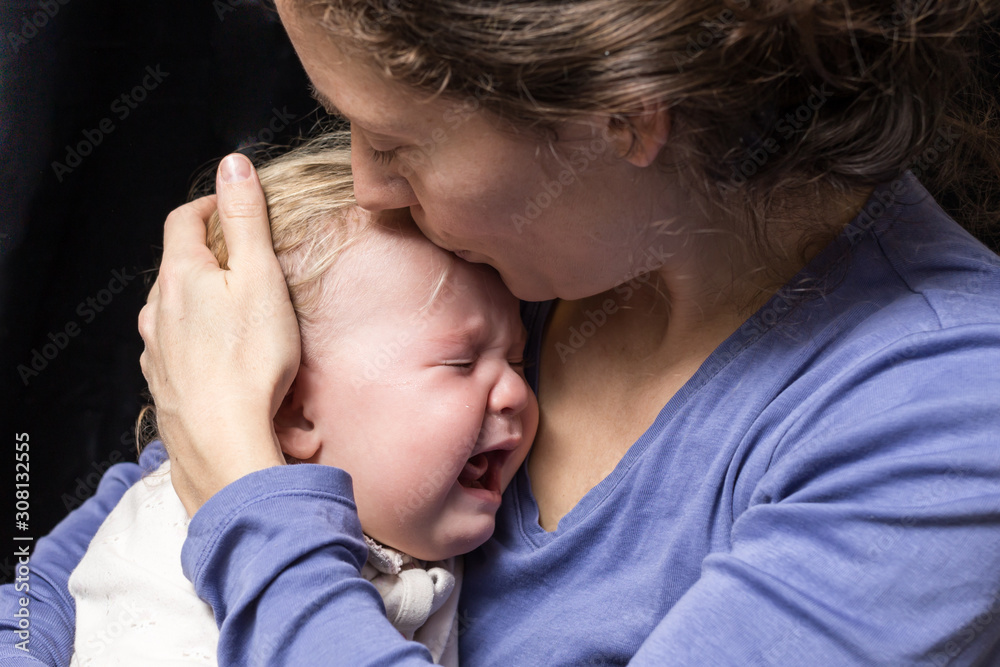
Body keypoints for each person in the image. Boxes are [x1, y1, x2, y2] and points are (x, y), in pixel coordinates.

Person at [4, 1, 1000, 664]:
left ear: (618, 119)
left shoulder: (944, 417)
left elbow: (214, 484)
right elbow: (99, 552)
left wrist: (241, 481)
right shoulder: (482, 256)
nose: (365, 186)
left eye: (395, 141)